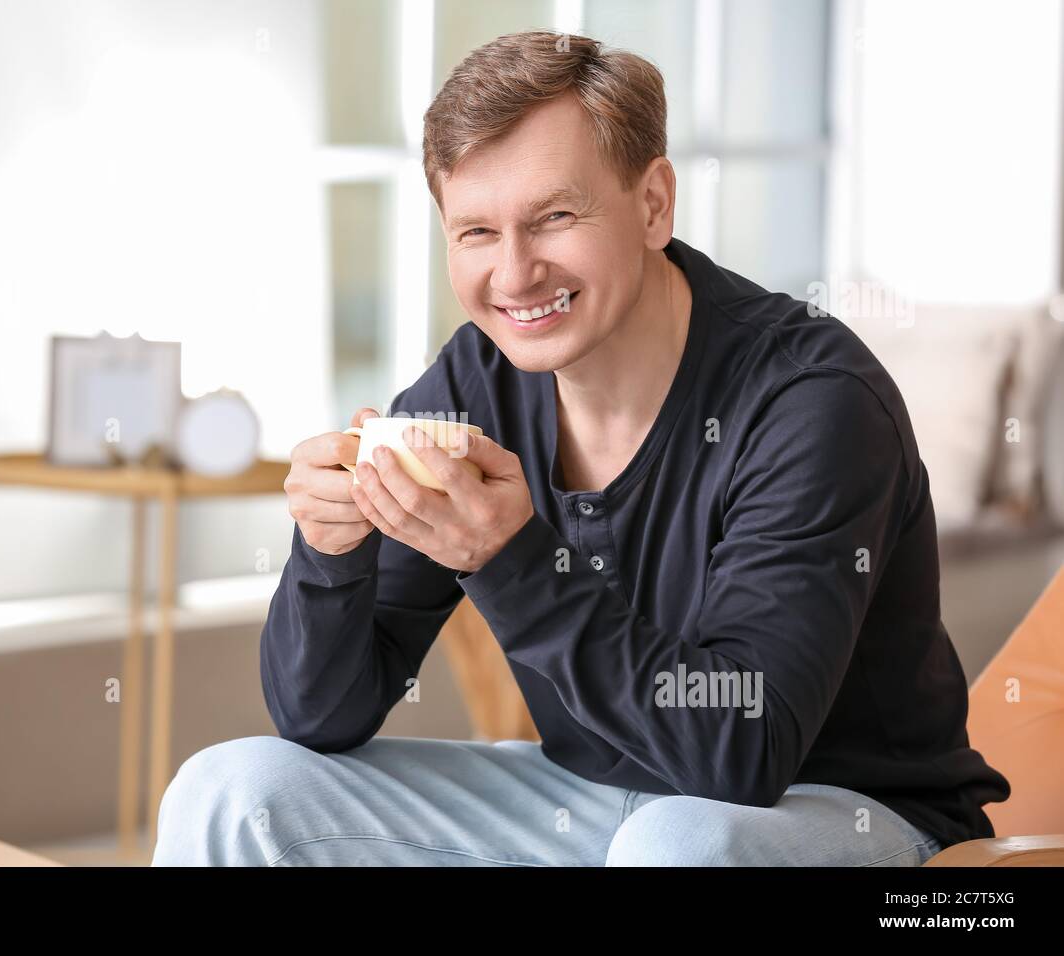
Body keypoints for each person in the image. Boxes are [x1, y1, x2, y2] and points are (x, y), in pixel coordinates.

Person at [153, 30, 1009, 866]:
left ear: (653, 203)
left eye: (554, 217)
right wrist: (330, 555)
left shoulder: (811, 402)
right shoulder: (477, 382)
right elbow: (321, 721)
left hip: (846, 816)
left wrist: (509, 558)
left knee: (677, 843)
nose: (515, 274)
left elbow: (744, 753)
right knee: (231, 787)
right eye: (476, 233)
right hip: (589, 801)